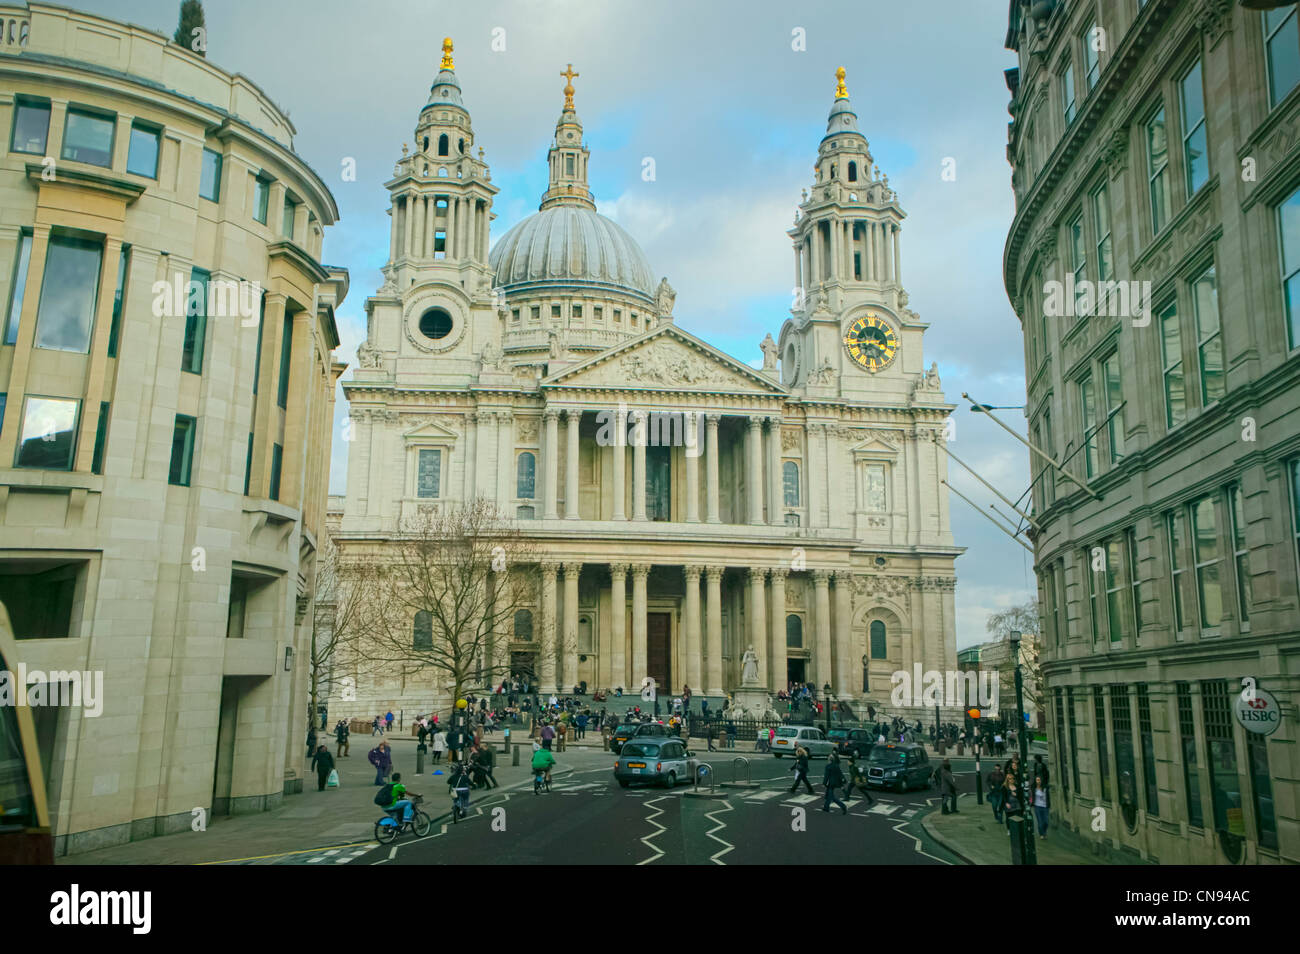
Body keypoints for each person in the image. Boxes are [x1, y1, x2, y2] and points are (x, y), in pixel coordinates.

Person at [1004, 776, 1027, 864]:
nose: (1011, 780)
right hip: (1010, 805)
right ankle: (1009, 829)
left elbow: (1021, 796)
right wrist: (1006, 803)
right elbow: (1004, 796)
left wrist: (1016, 794)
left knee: (1019, 818)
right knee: (1009, 818)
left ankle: (1021, 833)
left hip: (1017, 805)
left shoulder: (1017, 787)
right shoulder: (1005, 787)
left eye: (1012, 778)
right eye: (1009, 779)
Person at [1032, 774, 1049, 839]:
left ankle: (1044, 831)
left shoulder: (1045, 787)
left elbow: (1048, 797)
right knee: (1040, 821)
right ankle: (1041, 834)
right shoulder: (1034, 788)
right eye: (1037, 780)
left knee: (1046, 822)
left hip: (1045, 806)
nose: (1038, 781)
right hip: (1037, 806)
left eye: (1039, 780)